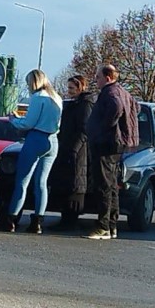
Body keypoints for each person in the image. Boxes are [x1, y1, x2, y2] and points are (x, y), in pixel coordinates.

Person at [0, 69, 62, 234]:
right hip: (53, 140)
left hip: (36, 139)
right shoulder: (56, 97)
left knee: (22, 182)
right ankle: (37, 222)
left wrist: (14, 120)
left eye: (28, 82)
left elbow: (28, 123)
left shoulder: (38, 98)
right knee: (41, 183)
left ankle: (11, 220)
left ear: (34, 82)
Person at [84, 64, 139, 240]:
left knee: (103, 185)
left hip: (106, 144)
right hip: (117, 144)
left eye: (98, 77)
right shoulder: (124, 92)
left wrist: (102, 128)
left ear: (107, 77)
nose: (96, 80)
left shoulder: (110, 92)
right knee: (112, 184)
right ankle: (112, 225)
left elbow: (116, 108)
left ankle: (103, 226)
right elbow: (135, 108)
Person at [48, 75, 95, 230]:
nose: (69, 91)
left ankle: (70, 220)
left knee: (75, 184)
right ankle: (65, 219)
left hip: (77, 151)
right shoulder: (74, 104)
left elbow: (84, 129)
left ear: (80, 87)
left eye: (71, 88)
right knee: (66, 183)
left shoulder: (85, 105)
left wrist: (74, 149)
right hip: (68, 148)